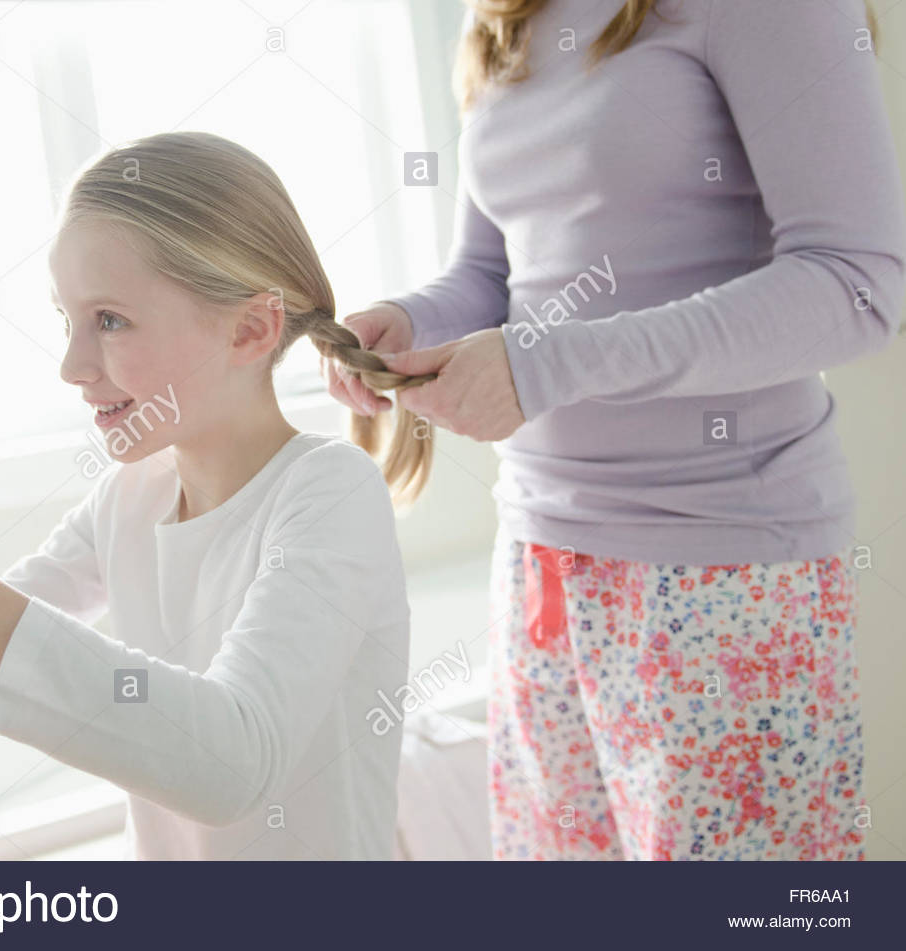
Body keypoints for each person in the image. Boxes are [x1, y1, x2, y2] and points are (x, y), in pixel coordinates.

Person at [0, 131, 415, 860]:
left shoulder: (329, 494)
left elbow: (230, 763)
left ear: (249, 329)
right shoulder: (130, 497)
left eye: (110, 320)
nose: (71, 365)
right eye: (67, 320)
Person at [323, 0, 905, 859]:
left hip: (722, 571)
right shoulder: (506, 16)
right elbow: (493, 271)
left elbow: (857, 285)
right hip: (541, 561)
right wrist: (411, 322)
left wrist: (548, 362)